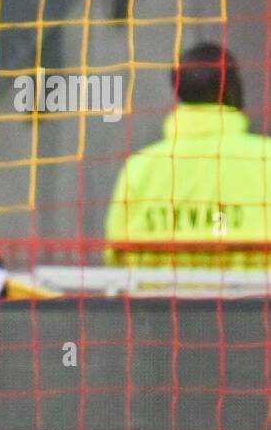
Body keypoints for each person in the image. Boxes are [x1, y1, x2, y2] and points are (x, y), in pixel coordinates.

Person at [105, 43, 271, 268]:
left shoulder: (140, 167)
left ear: (178, 91)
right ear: (233, 88)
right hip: (253, 302)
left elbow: (115, 253)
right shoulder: (264, 159)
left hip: (158, 302)